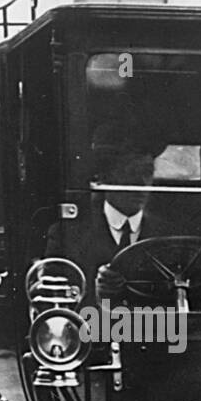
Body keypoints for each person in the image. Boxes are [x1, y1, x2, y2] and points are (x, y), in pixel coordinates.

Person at [43, 121, 173, 306]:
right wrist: (94, 294)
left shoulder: (169, 236)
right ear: (105, 177)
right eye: (130, 173)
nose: (142, 183)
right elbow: (54, 305)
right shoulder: (66, 236)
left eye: (147, 172)